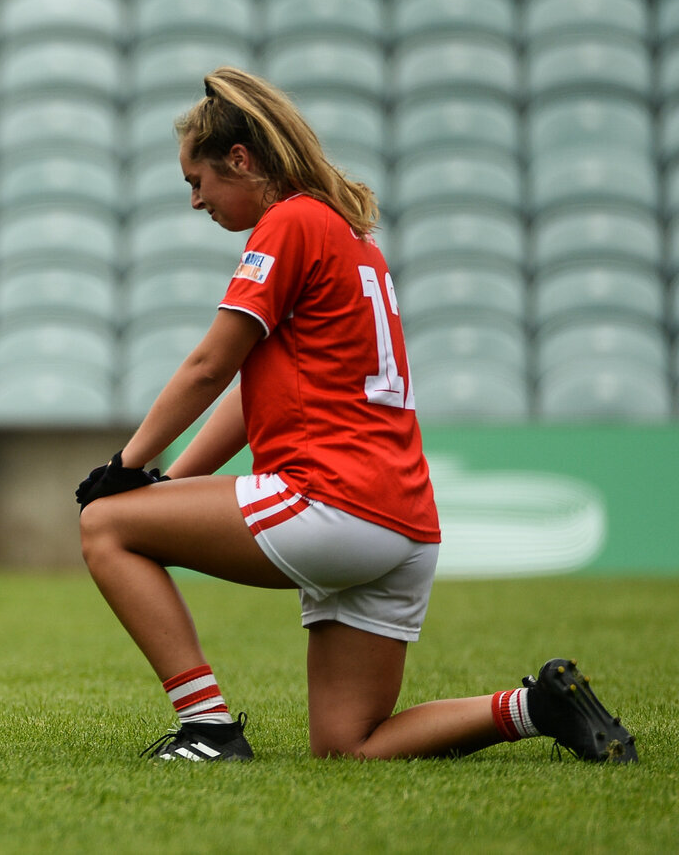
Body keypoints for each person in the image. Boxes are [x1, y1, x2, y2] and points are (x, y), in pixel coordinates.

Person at [75, 66, 637, 764]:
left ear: (242, 160)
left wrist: (122, 470)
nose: (195, 200)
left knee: (102, 524)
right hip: (403, 525)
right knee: (349, 745)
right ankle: (536, 707)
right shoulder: (345, 231)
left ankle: (209, 730)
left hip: (332, 503)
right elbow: (251, 398)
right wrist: (168, 486)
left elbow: (208, 367)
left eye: (198, 182)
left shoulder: (288, 224)